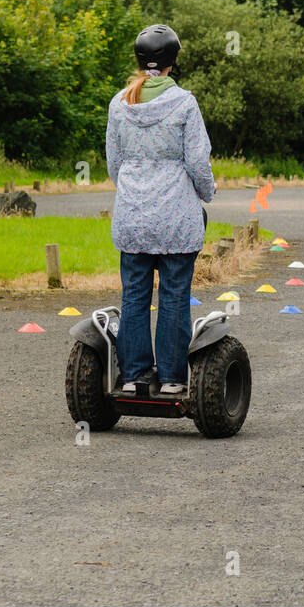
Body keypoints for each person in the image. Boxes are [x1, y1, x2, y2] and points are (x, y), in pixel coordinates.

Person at [105, 24, 216, 396]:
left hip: (133, 216)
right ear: (172, 62)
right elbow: (198, 161)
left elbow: (113, 163)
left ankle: (134, 376)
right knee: (173, 296)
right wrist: (208, 193)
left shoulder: (119, 103)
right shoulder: (185, 102)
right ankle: (171, 379)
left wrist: (135, 191)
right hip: (176, 218)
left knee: (134, 296)